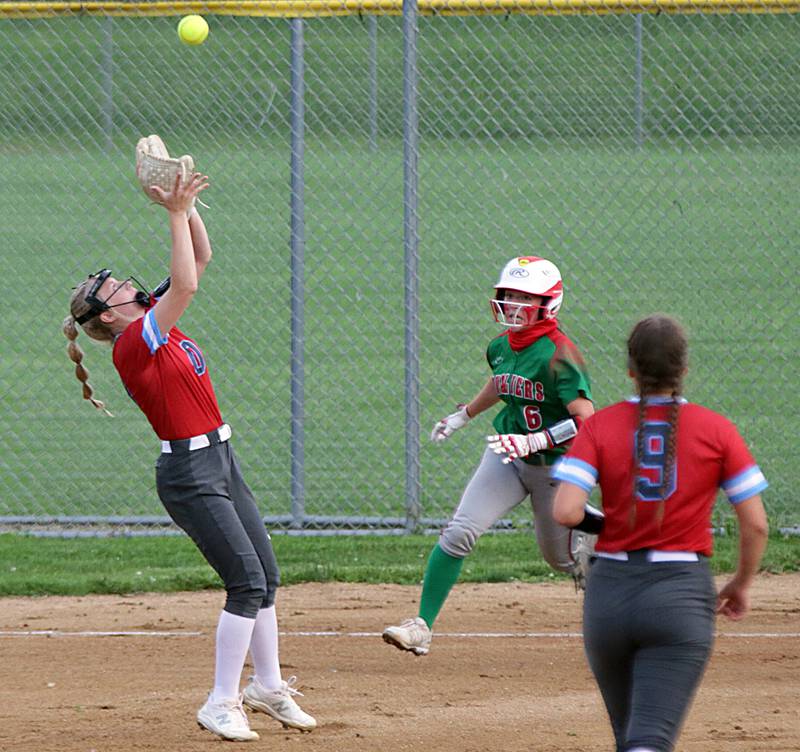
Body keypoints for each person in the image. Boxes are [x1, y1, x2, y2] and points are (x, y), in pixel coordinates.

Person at [63, 171, 316, 741]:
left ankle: (267, 686)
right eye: (117, 290)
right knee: (245, 582)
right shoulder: (134, 342)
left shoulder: (153, 320)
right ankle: (221, 702)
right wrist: (172, 212)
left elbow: (200, 257)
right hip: (189, 474)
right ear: (107, 315)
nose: (129, 286)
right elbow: (187, 286)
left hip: (220, 459)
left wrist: (189, 206)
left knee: (266, 577)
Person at [551, 314, 769, 752]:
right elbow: (756, 523)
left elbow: (566, 510)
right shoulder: (717, 430)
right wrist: (740, 583)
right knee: (649, 739)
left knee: (629, 736)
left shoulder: (600, 426)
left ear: (630, 370)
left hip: (608, 596)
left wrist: (613, 525)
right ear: (684, 370)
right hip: (679, 596)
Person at [383, 255, 595, 655]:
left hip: (555, 467)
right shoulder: (500, 346)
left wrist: (537, 441)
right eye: (509, 294)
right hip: (507, 456)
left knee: (562, 560)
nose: (513, 304)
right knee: (460, 531)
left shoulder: (560, 354)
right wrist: (464, 415)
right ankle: (422, 626)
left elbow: (587, 420)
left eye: (524, 297)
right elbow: (502, 382)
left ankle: (608, 563)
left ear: (548, 303)